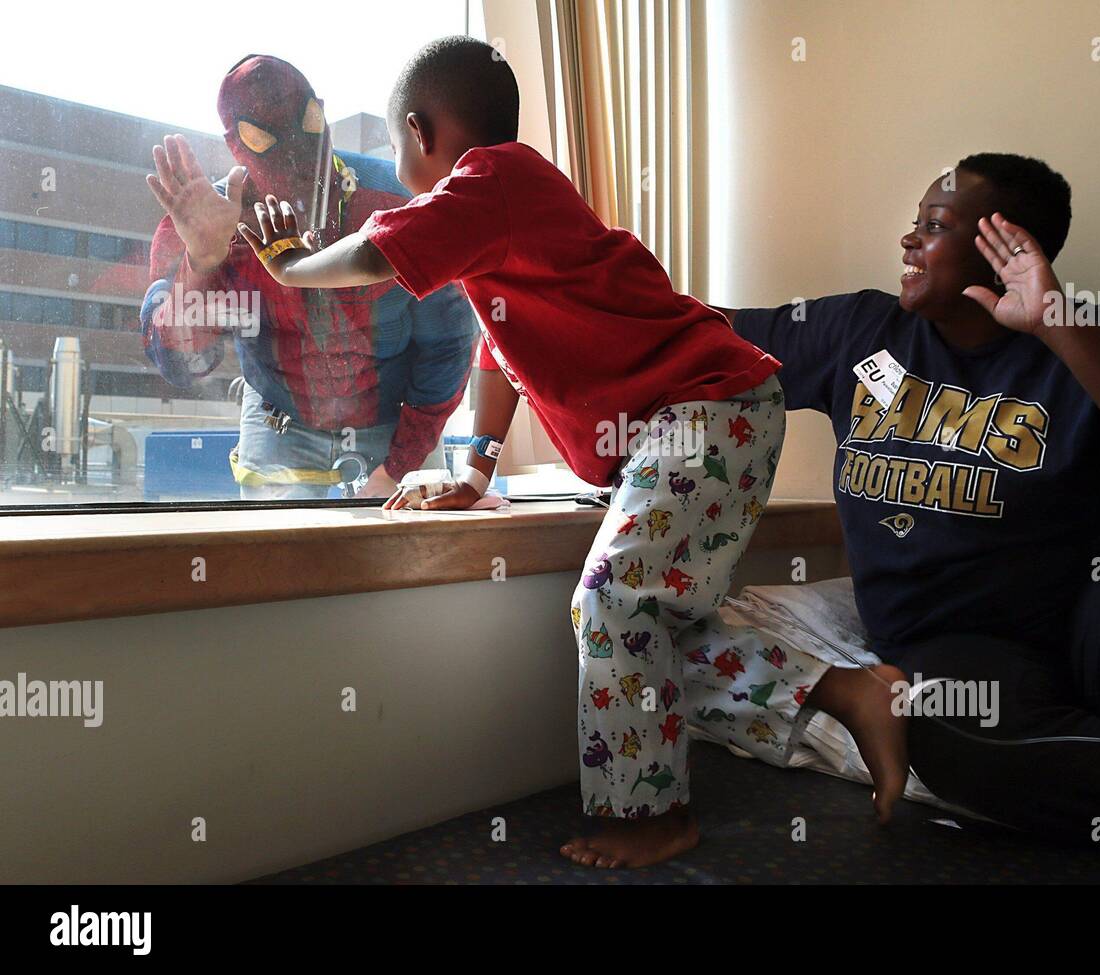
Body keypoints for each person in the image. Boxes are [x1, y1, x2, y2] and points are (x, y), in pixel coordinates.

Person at [233, 36, 910, 869]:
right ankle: (845, 690)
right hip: (705, 417)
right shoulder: (505, 228)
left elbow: (382, 249)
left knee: (612, 605)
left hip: (704, 407)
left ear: (420, 131)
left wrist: (295, 266)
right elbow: (499, 354)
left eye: (400, 146)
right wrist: (476, 467)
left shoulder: (496, 178)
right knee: (645, 629)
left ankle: (652, 815)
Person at [715, 153, 1100, 884]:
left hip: (1096, 599)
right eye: (915, 223)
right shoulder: (858, 329)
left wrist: (1057, 325)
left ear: (1005, 244)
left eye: (934, 225)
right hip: (952, 638)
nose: (908, 241)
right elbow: (703, 332)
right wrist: (565, 285)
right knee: (943, 724)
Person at [142, 55, 478, 500]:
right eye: (267, 139)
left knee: (411, 553)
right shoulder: (204, 220)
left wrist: (401, 464)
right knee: (277, 560)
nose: (299, 165)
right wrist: (201, 261)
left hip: (398, 418)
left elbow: (450, 343)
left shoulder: (399, 205)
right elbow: (180, 364)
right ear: (237, 145)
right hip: (277, 416)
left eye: (307, 125)